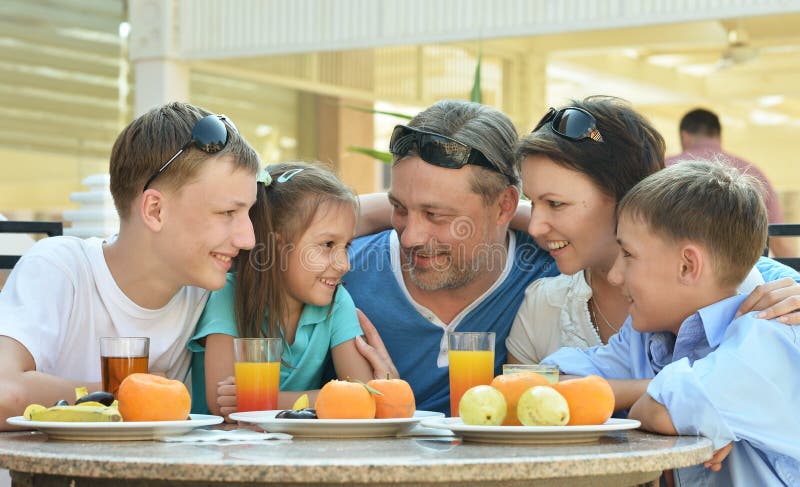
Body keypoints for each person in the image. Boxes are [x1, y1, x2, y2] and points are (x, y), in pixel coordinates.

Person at [0, 102, 260, 429]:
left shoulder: (207, 292)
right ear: (154, 211)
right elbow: (4, 394)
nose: (247, 238)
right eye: (227, 213)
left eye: (248, 213)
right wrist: (127, 391)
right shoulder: (61, 268)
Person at [543, 161, 800, 485]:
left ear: (687, 266)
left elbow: (659, 412)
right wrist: (666, 394)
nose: (614, 275)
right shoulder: (646, 335)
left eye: (629, 255)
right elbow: (548, 385)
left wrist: (659, 403)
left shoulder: (770, 333)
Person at [506, 97, 800, 365]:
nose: (535, 226)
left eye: (556, 203)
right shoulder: (543, 308)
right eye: (532, 203)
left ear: (629, 197)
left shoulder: (756, 290)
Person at [344, 99, 558, 415]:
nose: (410, 236)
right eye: (399, 208)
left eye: (436, 215)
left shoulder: (552, 277)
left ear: (504, 207)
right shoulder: (343, 271)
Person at [189, 162, 372, 418]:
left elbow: (363, 397)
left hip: (292, 449)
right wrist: (327, 400)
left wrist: (267, 399)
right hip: (225, 450)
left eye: (347, 246)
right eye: (328, 244)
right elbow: (225, 406)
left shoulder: (336, 300)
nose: (344, 264)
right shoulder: (228, 295)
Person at [666, 108, 792, 257]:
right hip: (743, 272)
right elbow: (778, 238)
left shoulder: (663, 168)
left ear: (684, 135)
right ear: (718, 135)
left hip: (678, 266)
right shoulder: (753, 173)